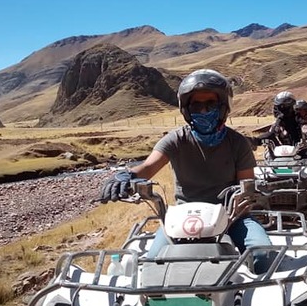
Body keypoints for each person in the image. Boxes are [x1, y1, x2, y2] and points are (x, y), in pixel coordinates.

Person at [98, 69, 273, 273]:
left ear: (223, 106)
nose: (204, 110)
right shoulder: (176, 139)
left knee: (262, 256)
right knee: (153, 265)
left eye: (211, 104)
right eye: (196, 105)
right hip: (183, 218)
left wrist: (235, 210)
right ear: (187, 109)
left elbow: (246, 190)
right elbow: (147, 166)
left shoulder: (237, 143)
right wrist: (128, 176)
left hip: (232, 216)